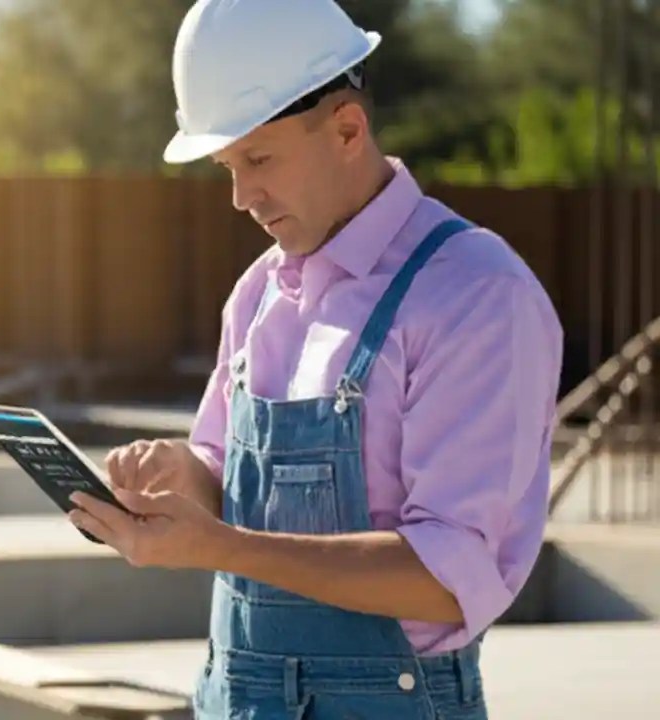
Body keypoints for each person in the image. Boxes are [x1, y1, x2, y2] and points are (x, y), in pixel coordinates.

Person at [65, 0, 564, 718]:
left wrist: (226, 547)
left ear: (347, 130)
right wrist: (183, 477)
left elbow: (447, 578)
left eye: (259, 159)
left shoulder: (476, 294)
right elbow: (218, 478)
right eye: (228, 167)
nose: (241, 197)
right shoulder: (259, 293)